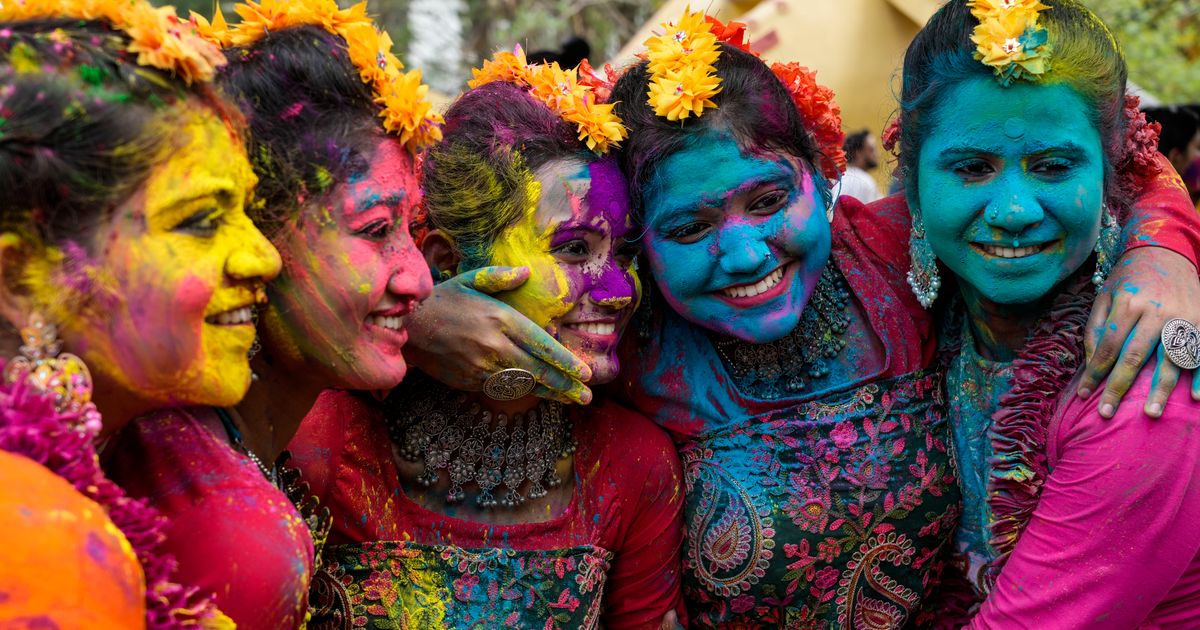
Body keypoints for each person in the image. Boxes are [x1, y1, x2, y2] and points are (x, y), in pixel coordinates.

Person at [404, 7, 1200, 626]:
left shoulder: (890, 255)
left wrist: (1164, 245)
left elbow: (1076, 146)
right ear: (637, 246)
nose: (747, 254)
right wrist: (422, 323)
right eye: (689, 228)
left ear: (822, 180)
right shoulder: (619, 334)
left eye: (769, 200)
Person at [289, 49, 685, 629]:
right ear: (446, 262)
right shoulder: (326, 441)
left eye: (625, 253)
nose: (620, 290)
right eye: (574, 249)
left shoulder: (635, 464)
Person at [103, 1, 441, 628]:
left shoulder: (261, 441)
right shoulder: (225, 527)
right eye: (375, 230)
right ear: (256, 239)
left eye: (413, 230)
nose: (421, 279)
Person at [896, 1, 1200, 626]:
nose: (1013, 210)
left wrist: (1167, 249)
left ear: (1115, 170)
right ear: (914, 181)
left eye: (1054, 167)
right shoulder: (906, 293)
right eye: (973, 168)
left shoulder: (1142, 380)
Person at [0, 0, 281, 626]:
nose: (263, 256)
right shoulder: (33, 538)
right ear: (22, 279)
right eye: (201, 220)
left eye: (248, 210)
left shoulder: (107, 471)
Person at [841, 129, 884, 203]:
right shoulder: (864, 181)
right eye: (871, 150)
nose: (877, 154)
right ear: (858, 153)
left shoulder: (840, 178)